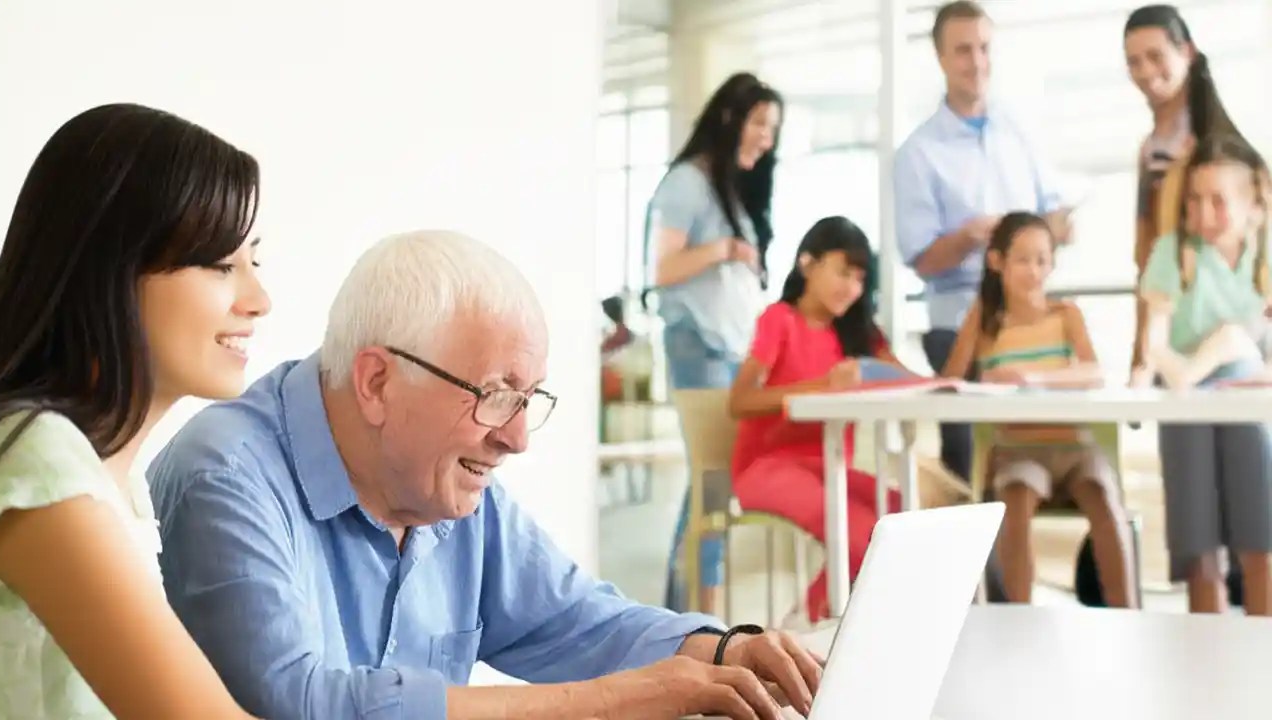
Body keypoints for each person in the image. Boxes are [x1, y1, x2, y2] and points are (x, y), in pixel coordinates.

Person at [148, 230, 823, 720]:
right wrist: (614, 701)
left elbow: (575, 620)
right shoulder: (226, 475)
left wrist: (724, 653)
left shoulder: (445, 490)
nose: (518, 437)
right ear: (377, 381)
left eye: (529, 399)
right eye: (497, 394)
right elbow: (294, 705)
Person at [0, 103, 267, 718]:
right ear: (113, 269)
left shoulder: (118, 484)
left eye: (256, 261)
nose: (260, 300)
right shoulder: (40, 460)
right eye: (222, 264)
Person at [894, 0, 1073, 489]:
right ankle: (974, 565)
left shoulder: (1020, 132)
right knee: (971, 465)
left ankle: (1012, 566)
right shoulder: (917, 154)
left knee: (1036, 457)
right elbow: (923, 261)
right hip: (957, 326)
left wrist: (1054, 228)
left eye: (984, 48)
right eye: (963, 50)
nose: (977, 61)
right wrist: (972, 236)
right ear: (940, 58)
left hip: (1028, 326)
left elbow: (1053, 212)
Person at [942, 213, 1138, 608]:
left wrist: (1031, 377)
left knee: (1103, 496)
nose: (1033, 271)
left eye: (1042, 260)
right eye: (1023, 260)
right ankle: (1019, 617)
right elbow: (950, 379)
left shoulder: (1066, 315)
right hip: (1017, 447)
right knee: (1015, 494)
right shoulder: (985, 320)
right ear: (997, 262)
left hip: (1074, 446)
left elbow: (1093, 371)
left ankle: (1127, 611)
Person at [1123, 2, 1250, 608]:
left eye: (1156, 56)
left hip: (1236, 366)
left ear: (1188, 53)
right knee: (1196, 531)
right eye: (1133, 62)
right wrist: (1141, 359)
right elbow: (1146, 261)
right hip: (1176, 358)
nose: (1145, 71)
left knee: (1255, 531)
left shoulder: (1222, 150)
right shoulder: (1151, 146)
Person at [648, 71, 783, 613]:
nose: (766, 139)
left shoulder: (726, 188)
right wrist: (725, 248)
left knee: (712, 483)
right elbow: (662, 267)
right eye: (759, 124)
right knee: (711, 479)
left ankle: (695, 602)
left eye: (773, 129)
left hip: (726, 352)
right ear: (729, 119)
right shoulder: (686, 182)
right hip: (698, 348)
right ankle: (689, 606)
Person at [728, 217, 905, 625]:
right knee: (864, 534)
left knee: (903, 514)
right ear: (808, 263)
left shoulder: (859, 334)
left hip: (829, 469)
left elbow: (907, 378)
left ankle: (807, 621)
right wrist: (824, 384)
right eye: (843, 272)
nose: (852, 288)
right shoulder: (780, 320)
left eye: (860, 279)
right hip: (767, 469)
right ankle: (805, 630)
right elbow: (740, 401)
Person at [1138, 135, 1272, 616]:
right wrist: (1178, 374)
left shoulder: (1264, 255)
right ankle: (1208, 659)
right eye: (1195, 199)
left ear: (1254, 206)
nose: (1204, 210)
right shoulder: (1173, 253)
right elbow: (1154, 343)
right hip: (1185, 399)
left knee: (1262, 536)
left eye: (1219, 200)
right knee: (1198, 543)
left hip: (1245, 394)